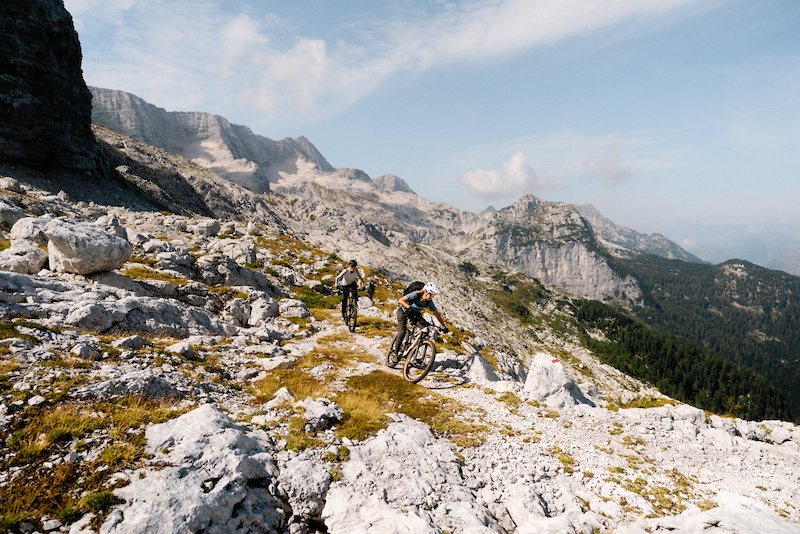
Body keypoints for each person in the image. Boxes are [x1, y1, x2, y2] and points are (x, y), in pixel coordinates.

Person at [391, 282, 448, 355]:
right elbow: (401, 300)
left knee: (425, 330)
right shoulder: (416, 294)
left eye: (433, 295)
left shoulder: (429, 302)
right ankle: (395, 353)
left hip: (415, 314)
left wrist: (443, 326)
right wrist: (409, 307)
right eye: (431, 294)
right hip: (403, 312)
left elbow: (436, 314)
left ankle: (415, 352)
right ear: (426, 292)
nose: (432, 297)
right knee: (402, 331)